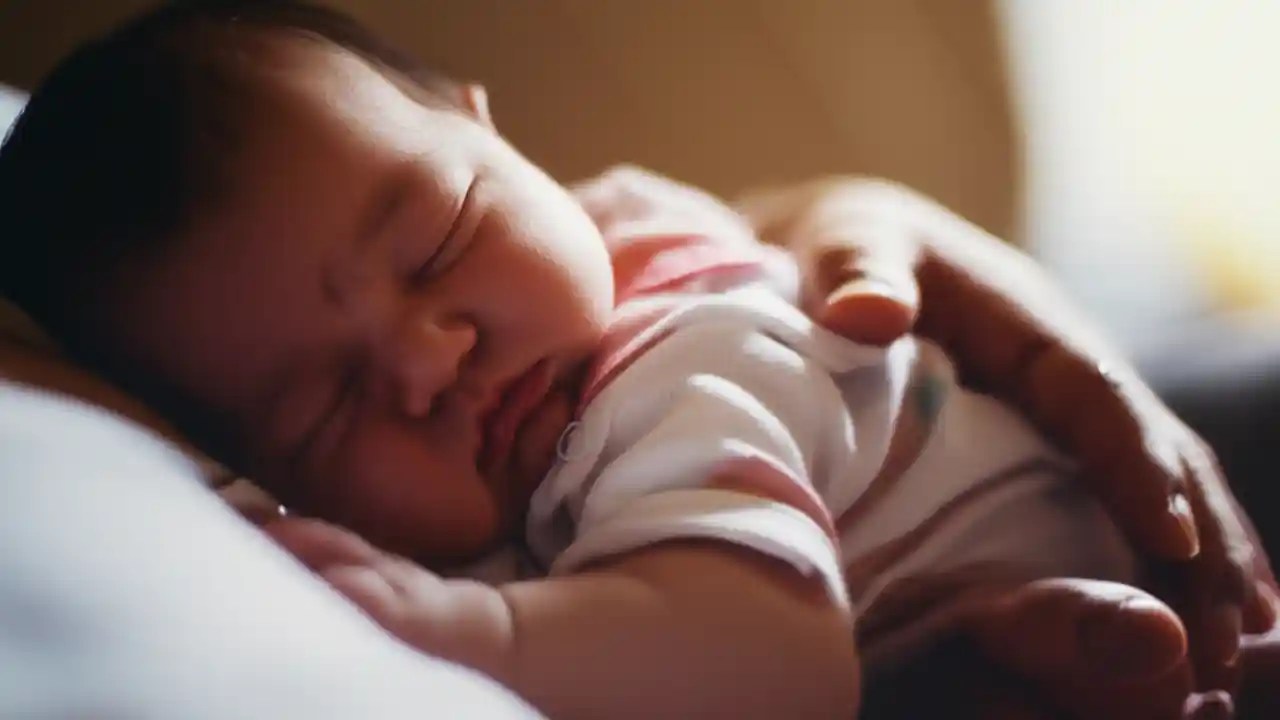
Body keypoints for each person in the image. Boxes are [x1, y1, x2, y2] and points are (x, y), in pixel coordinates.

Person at [0, 2, 1271, 717]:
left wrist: (468, 631)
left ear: (489, 131)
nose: (432, 360)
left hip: (1154, 516)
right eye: (328, 405)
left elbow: (763, 656)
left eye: (441, 242)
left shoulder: (650, 398)